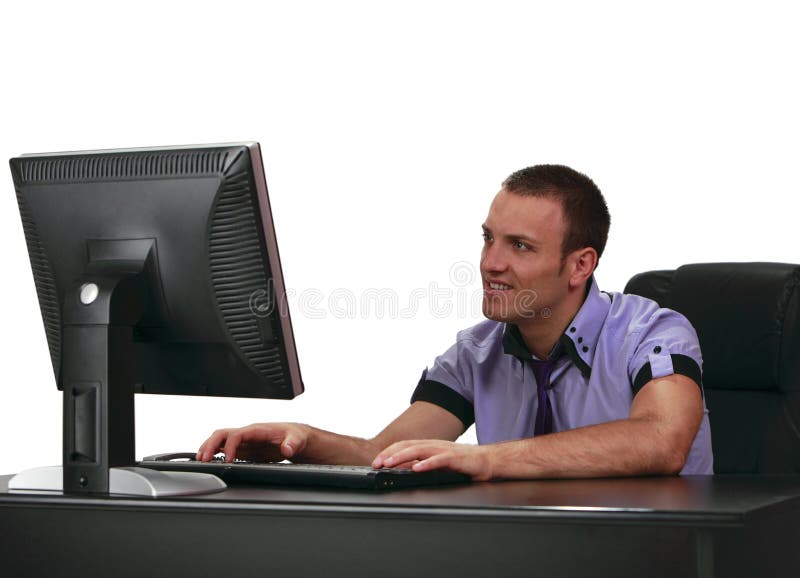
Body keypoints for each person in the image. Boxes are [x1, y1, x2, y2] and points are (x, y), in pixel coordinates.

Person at [196, 165, 713, 480]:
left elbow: (661, 440)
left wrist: (487, 459)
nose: (490, 263)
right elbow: (382, 454)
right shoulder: (475, 353)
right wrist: (304, 440)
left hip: (651, 554)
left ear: (580, 265)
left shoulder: (654, 333)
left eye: (520, 246)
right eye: (489, 238)